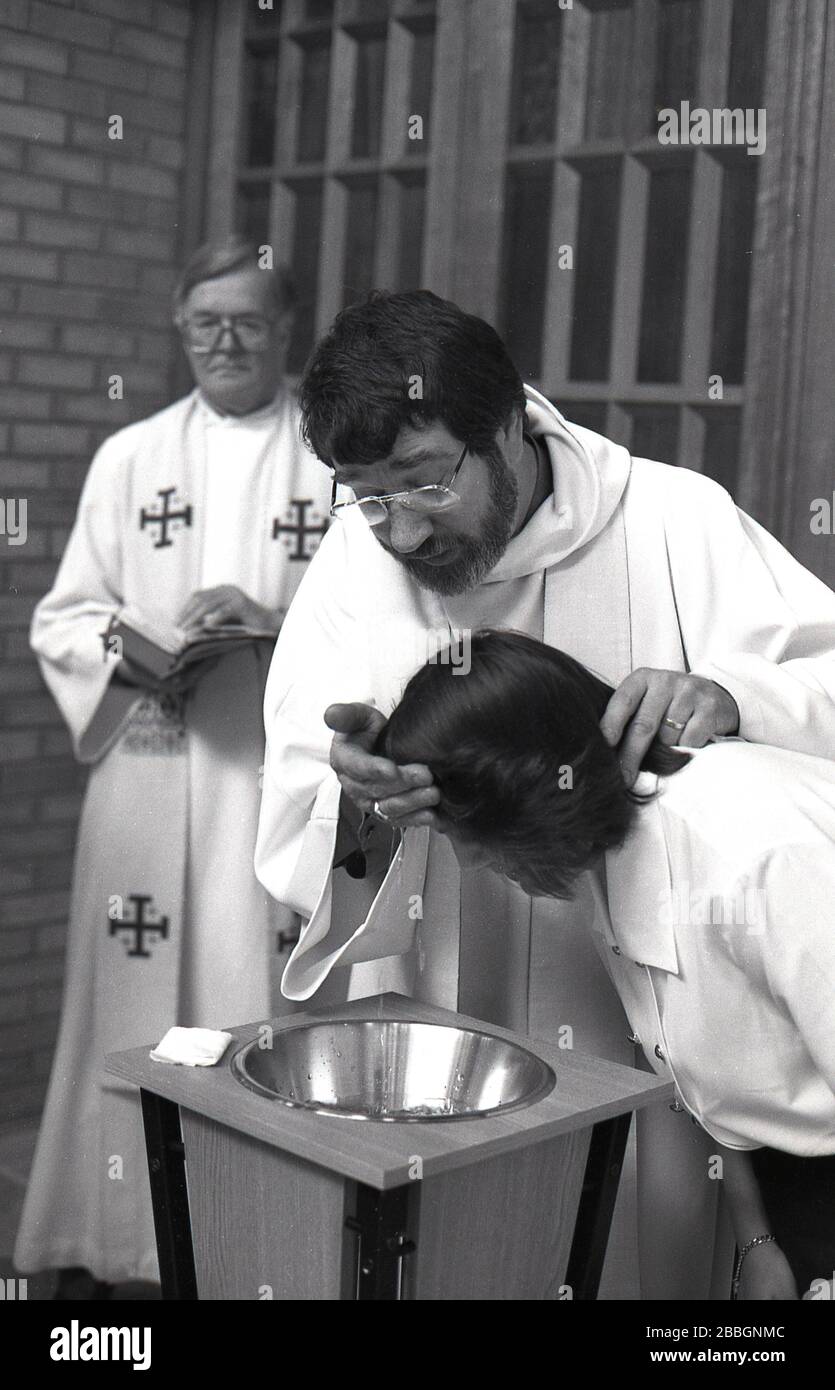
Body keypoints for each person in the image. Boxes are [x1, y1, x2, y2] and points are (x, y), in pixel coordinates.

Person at [254, 289, 835, 1299]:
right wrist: (360, 805)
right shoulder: (355, 556)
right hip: (449, 1007)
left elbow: (818, 686)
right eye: (367, 496)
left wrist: (736, 695)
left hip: (676, 1037)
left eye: (424, 482)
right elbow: (303, 776)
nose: (399, 533)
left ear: (507, 427)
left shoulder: (672, 517)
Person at [14, 236, 331, 1298]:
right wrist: (142, 646)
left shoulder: (330, 458)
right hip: (146, 774)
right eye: (205, 323)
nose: (225, 341)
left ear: (284, 330)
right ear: (181, 330)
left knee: (250, 997)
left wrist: (270, 619)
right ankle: (116, 1242)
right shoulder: (130, 455)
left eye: (247, 321)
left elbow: (381, 625)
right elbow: (64, 619)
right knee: (128, 1007)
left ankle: (250, 1254)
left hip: (264, 780)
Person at [378, 628, 835, 1301]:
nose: (468, 861)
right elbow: (710, 1077)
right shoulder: (618, 851)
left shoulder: (755, 857)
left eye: (459, 831)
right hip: (790, 1186)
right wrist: (758, 1240)